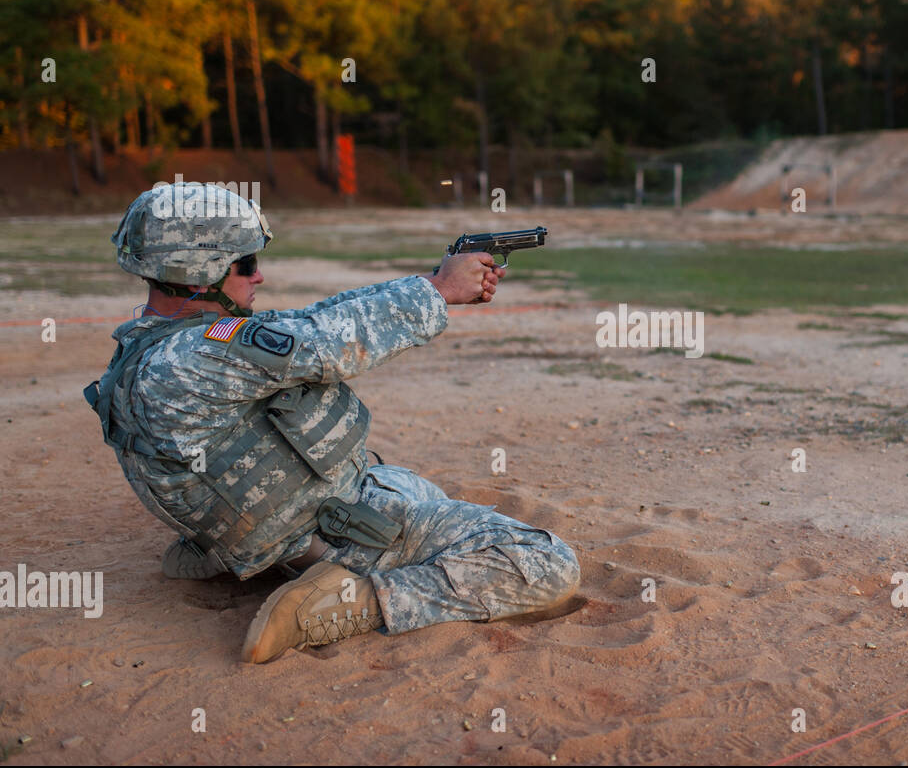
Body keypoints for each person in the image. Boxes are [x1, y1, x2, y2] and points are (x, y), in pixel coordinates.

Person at [85, 182, 580, 663]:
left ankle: (227, 559)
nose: (258, 277)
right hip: (331, 532)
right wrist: (438, 290)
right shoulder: (196, 358)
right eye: (247, 264)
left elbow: (307, 321)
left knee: (417, 489)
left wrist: (427, 284)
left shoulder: (156, 346)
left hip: (271, 528)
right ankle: (353, 600)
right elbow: (328, 344)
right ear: (198, 275)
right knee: (545, 563)